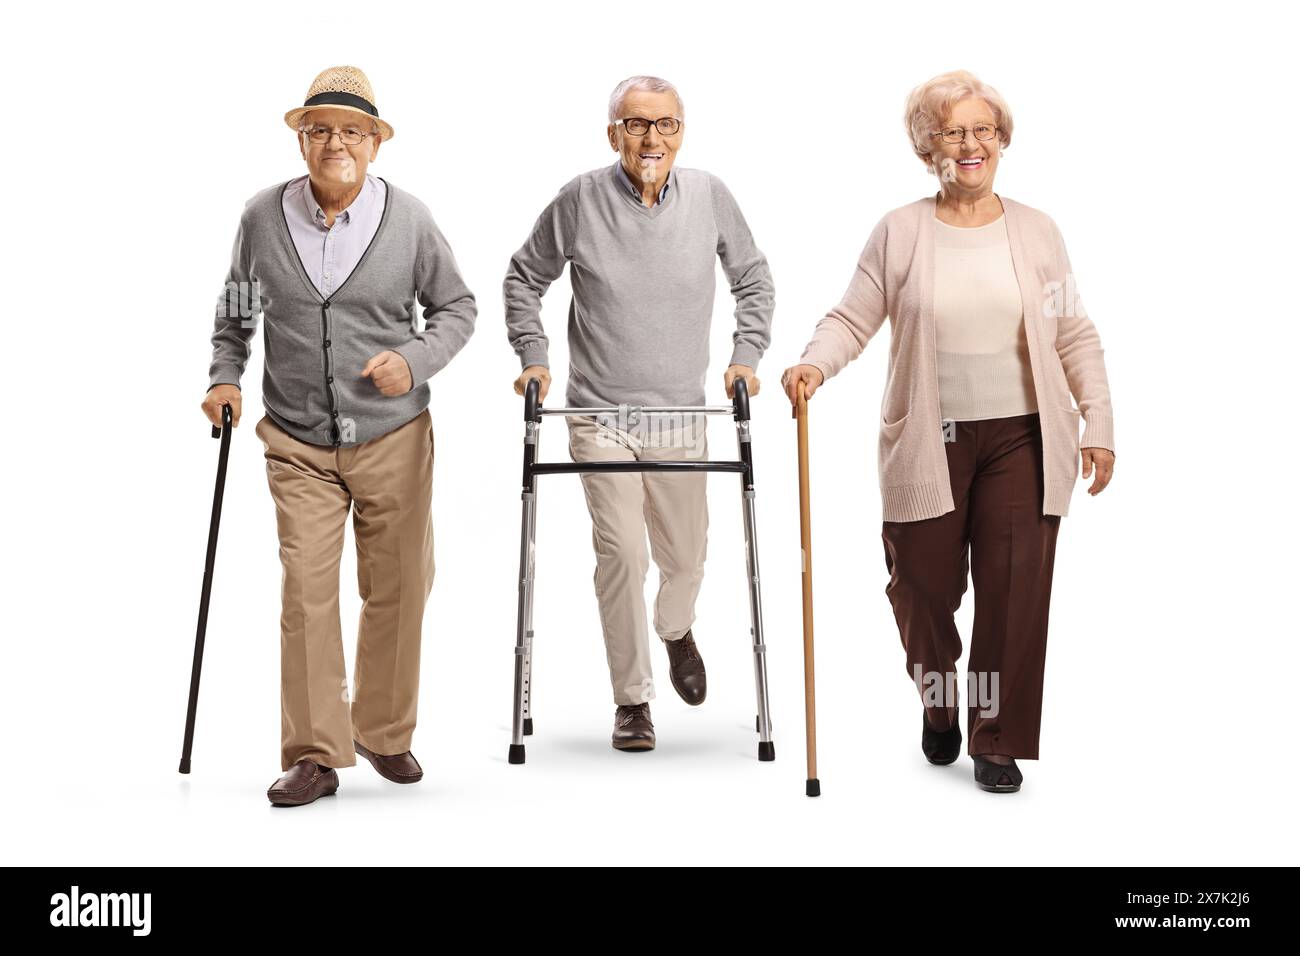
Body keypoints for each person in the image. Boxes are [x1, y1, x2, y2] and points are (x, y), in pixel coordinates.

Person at [782, 70, 1115, 793]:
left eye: (983, 131)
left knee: (1012, 590)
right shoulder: (901, 232)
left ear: (1002, 140)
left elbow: (1074, 331)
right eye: (953, 132)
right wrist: (813, 364)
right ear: (928, 146)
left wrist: (1099, 421)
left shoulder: (1037, 232)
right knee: (921, 586)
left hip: (1025, 437)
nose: (971, 145)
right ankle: (940, 701)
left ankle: (994, 737)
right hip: (929, 437)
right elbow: (852, 315)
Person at [203, 65, 477, 806]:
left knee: (399, 586)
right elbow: (236, 309)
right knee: (307, 588)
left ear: (374, 145)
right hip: (296, 438)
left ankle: (384, 731)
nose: (335, 143)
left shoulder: (411, 219)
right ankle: (316, 752)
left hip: (394, 435)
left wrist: (416, 360)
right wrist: (224, 377)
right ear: (301, 140)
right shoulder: (262, 217)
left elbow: (456, 307)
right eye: (319, 129)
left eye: (350, 131)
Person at [504, 75, 775, 751]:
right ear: (612, 133)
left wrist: (746, 356)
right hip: (599, 413)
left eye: (665, 125)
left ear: (682, 131)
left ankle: (676, 628)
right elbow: (522, 278)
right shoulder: (579, 200)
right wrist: (533, 356)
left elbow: (753, 279)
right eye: (635, 124)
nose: (651, 139)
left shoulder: (710, 196)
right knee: (622, 551)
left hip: (687, 414)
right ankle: (632, 700)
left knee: (684, 562)